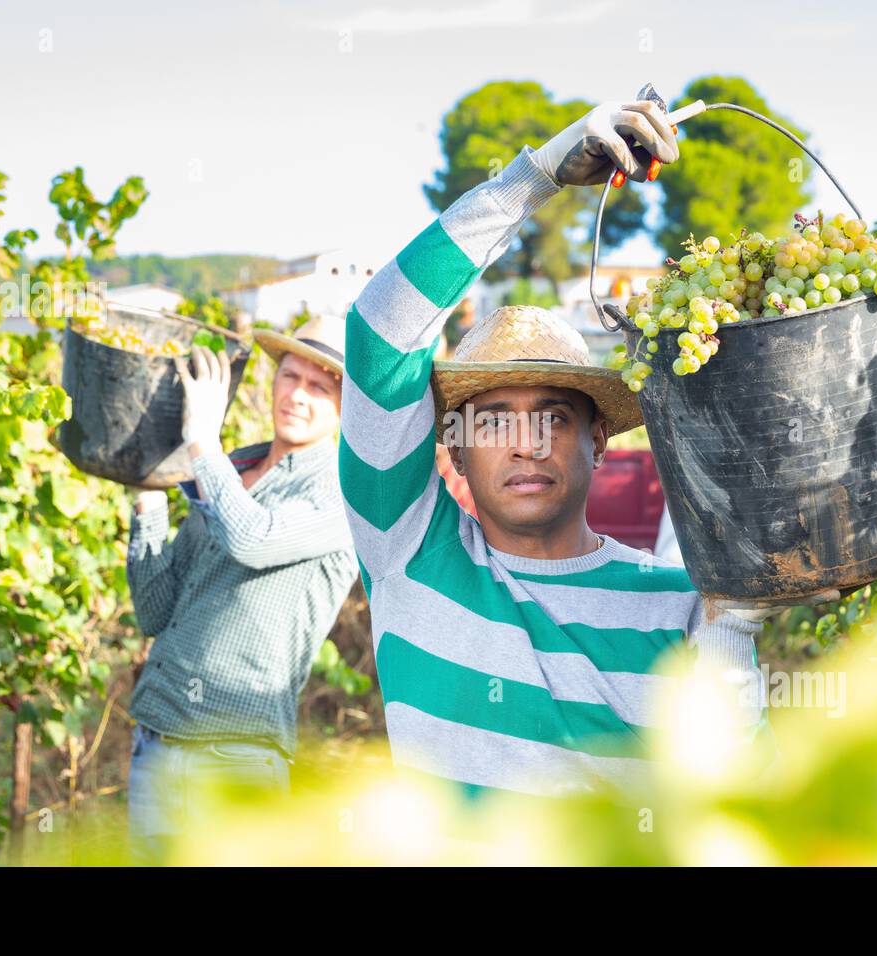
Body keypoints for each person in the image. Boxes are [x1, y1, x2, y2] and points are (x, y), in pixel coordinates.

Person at [338, 100, 835, 800]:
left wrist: (732, 628)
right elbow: (380, 333)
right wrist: (532, 178)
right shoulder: (409, 556)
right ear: (450, 450)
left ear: (597, 439)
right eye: (493, 422)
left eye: (552, 417)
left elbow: (738, 805)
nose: (525, 444)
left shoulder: (679, 603)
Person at [125, 315, 358, 861]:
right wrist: (149, 494)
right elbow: (155, 611)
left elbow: (253, 538)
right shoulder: (233, 467)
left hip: (237, 756)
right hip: (155, 740)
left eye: (319, 387)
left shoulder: (344, 493)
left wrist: (202, 443)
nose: (297, 395)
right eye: (290, 377)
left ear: (348, 408)